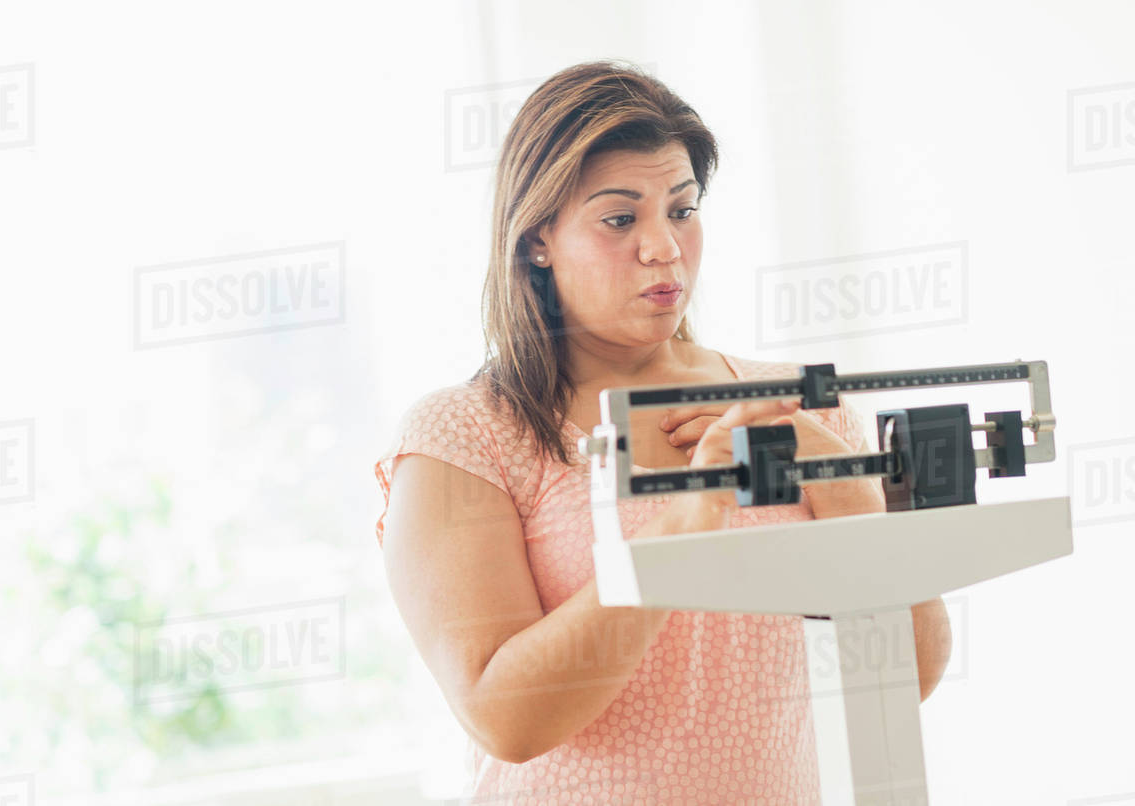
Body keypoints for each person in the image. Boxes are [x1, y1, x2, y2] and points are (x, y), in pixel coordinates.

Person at [373, 60, 952, 805]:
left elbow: (911, 671)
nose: (664, 247)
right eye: (621, 218)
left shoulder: (799, 408)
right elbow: (505, 718)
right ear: (536, 240)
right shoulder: (466, 434)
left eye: (682, 209)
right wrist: (683, 523)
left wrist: (839, 478)